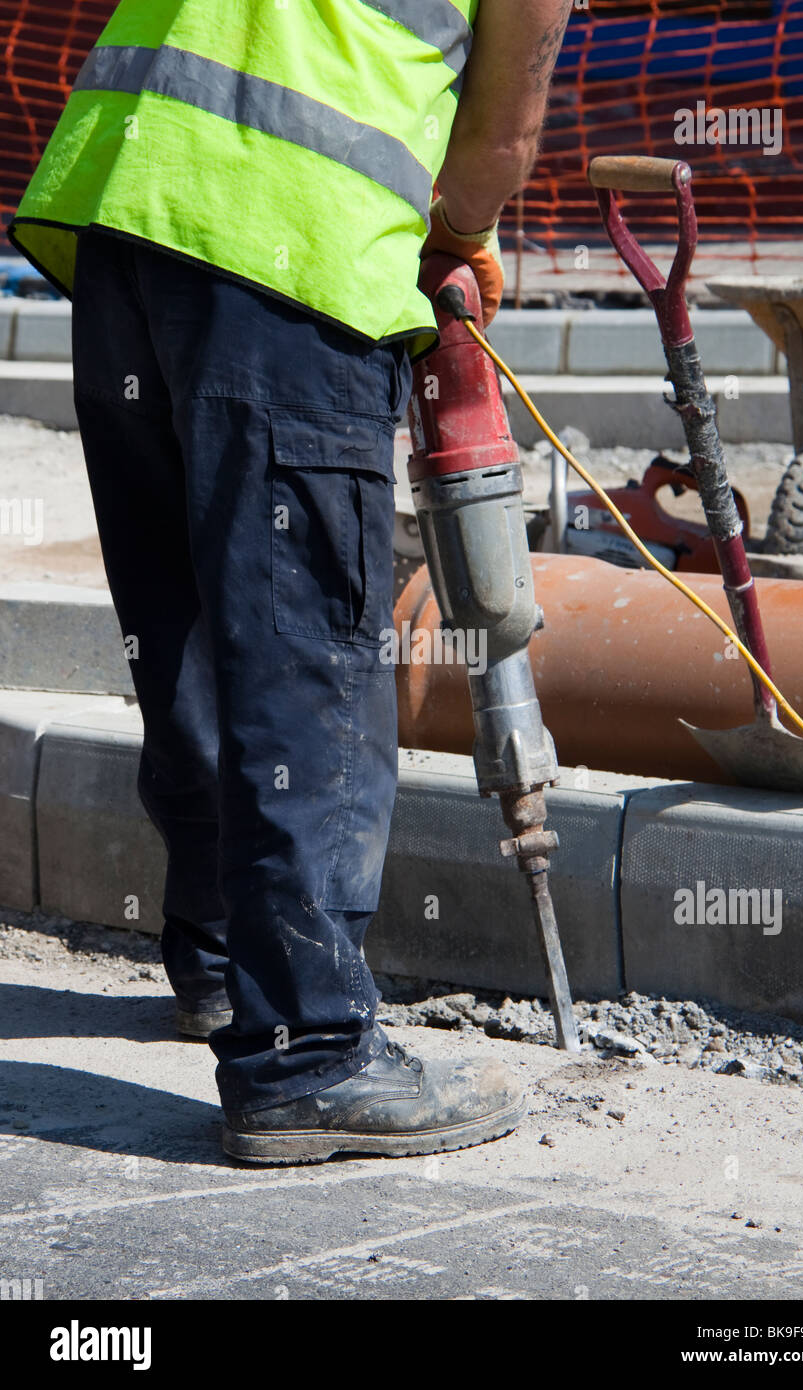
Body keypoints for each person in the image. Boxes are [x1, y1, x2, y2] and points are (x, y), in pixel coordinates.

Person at [10, 0, 573, 1165]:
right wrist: (460, 227)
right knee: (298, 637)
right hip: (285, 236)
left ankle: (219, 963)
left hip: (127, 201)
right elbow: (503, 128)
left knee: (187, 621)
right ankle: (308, 1049)